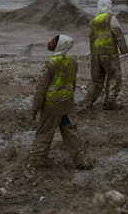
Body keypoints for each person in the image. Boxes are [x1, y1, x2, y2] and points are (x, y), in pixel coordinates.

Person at [30, 34, 89, 169]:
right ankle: (82, 161)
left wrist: (35, 108)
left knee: (44, 133)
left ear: (59, 45)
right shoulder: (72, 63)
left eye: (53, 41)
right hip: (67, 106)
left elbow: (41, 89)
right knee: (71, 133)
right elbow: (73, 85)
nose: (50, 42)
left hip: (51, 107)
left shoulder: (50, 64)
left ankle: (38, 161)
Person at [81, 0, 128, 110]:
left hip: (96, 56)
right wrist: (125, 51)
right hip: (110, 55)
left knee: (96, 81)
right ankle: (110, 102)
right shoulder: (111, 18)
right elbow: (118, 35)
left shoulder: (93, 22)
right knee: (114, 78)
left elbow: (91, 39)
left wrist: (93, 55)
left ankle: (87, 103)